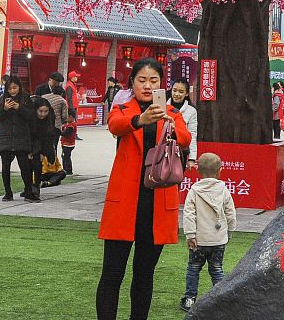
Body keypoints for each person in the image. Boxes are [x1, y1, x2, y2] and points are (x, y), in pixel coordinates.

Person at [97, 57, 191, 320]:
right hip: (125, 203)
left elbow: (185, 139)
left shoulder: (172, 113)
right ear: (132, 83)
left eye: (154, 80)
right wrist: (140, 119)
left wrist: (170, 124)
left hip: (156, 204)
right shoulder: (123, 109)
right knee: (112, 273)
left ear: (162, 85)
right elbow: (115, 126)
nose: (148, 86)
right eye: (142, 80)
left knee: (144, 274)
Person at [179, 152, 236, 311]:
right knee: (217, 269)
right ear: (220, 171)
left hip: (199, 240)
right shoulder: (224, 190)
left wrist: (190, 235)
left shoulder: (194, 191)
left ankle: (190, 299)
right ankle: (221, 300)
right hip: (218, 240)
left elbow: (189, 214)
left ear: (198, 170)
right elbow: (230, 213)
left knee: (193, 268)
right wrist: (229, 231)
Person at [0, 75, 37, 202]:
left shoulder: (25, 98)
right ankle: (8, 192)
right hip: (5, 138)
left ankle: (28, 192)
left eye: (15, 88)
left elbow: (31, 116)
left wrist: (19, 108)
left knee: (25, 167)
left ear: (19, 87)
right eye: (10, 88)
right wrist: (5, 109)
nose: (12, 91)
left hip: (21, 138)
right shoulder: (2, 99)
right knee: (5, 167)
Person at [30, 97, 66, 192]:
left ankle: (36, 188)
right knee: (27, 167)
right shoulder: (30, 120)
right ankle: (28, 188)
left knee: (38, 165)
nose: (43, 114)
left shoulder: (49, 121)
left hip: (43, 146)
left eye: (46, 111)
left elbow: (47, 139)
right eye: (40, 111)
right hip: (30, 144)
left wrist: (43, 152)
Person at [170, 78, 198, 170]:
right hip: (161, 150)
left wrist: (192, 158)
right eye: (174, 90)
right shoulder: (162, 105)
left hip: (181, 152)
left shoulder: (192, 111)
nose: (177, 94)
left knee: (176, 179)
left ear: (186, 94)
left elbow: (192, 134)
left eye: (181, 92)